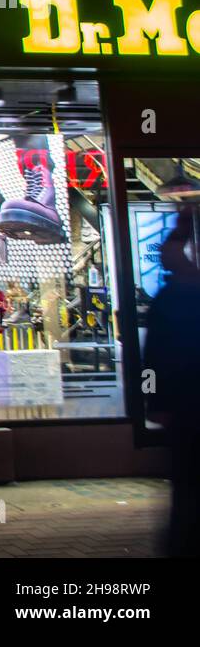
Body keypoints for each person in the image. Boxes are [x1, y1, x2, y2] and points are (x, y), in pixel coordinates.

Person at [144, 208, 200, 557]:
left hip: (182, 409)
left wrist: (154, 404)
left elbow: (150, 363)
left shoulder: (169, 299)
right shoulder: (174, 298)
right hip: (185, 407)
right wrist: (154, 402)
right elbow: (150, 364)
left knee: (187, 485)